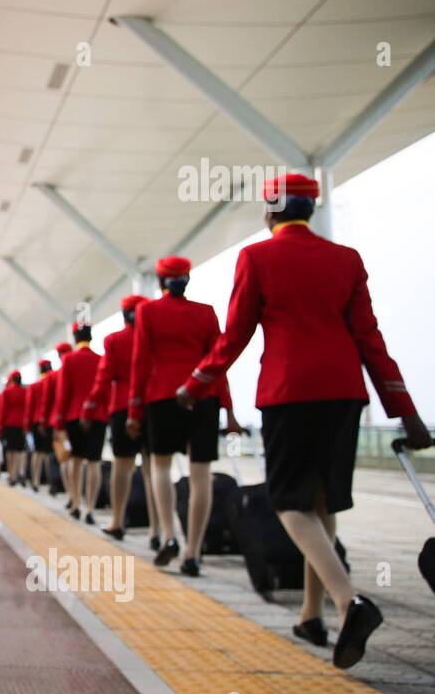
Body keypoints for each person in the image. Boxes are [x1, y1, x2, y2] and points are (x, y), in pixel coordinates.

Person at [180, 173, 431, 669]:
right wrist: (407, 412)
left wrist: (196, 383)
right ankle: (311, 614)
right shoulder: (346, 260)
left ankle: (348, 602)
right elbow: (370, 339)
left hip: (289, 390)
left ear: (269, 212)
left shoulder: (257, 258)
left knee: (288, 501)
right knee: (320, 499)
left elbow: (235, 334)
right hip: (344, 393)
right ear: (310, 210)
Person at [127, 256, 242, 574]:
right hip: (202, 398)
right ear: (187, 281)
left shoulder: (147, 312)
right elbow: (218, 365)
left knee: (160, 467)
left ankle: (167, 535)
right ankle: (193, 551)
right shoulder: (205, 313)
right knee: (200, 474)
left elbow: (141, 364)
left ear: (161, 282)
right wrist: (229, 411)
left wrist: (135, 412)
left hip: (162, 396)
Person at [84, 295, 161, 543]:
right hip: (151, 404)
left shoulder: (115, 340)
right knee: (153, 469)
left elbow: (103, 378)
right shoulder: (155, 339)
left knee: (122, 467)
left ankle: (117, 520)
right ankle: (156, 529)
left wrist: (91, 405)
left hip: (122, 407)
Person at [54, 324, 105, 525]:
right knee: (94, 462)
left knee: (75, 460)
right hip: (97, 415)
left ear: (75, 338)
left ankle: (75, 503)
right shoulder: (100, 359)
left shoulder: (69, 360)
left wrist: (59, 421)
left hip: (73, 415)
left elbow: (63, 393)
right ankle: (90, 508)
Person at [47, 342, 75, 504]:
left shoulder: (57, 374)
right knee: (86, 461)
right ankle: (80, 499)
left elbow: (56, 400)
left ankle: (71, 495)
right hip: (88, 418)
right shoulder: (90, 361)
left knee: (65, 458)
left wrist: (57, 423)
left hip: (64, 421)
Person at [27, 359, 55, 490]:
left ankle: (36, 480)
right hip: (51, 421)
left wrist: (28, 425)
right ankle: (51, 482)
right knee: (50, 453)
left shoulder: (34, 386)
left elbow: (30, 406)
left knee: (37, 452)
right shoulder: (54, 382)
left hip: (36, 421)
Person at [0, 371, 27, 486]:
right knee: (18, 451)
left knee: (9, 450)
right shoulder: (25, 392)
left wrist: (0, 427)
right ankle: (17, 472)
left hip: (9, 424)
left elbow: (2, 410)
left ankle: (11, 475)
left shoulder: (7, 392)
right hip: (21, 424)